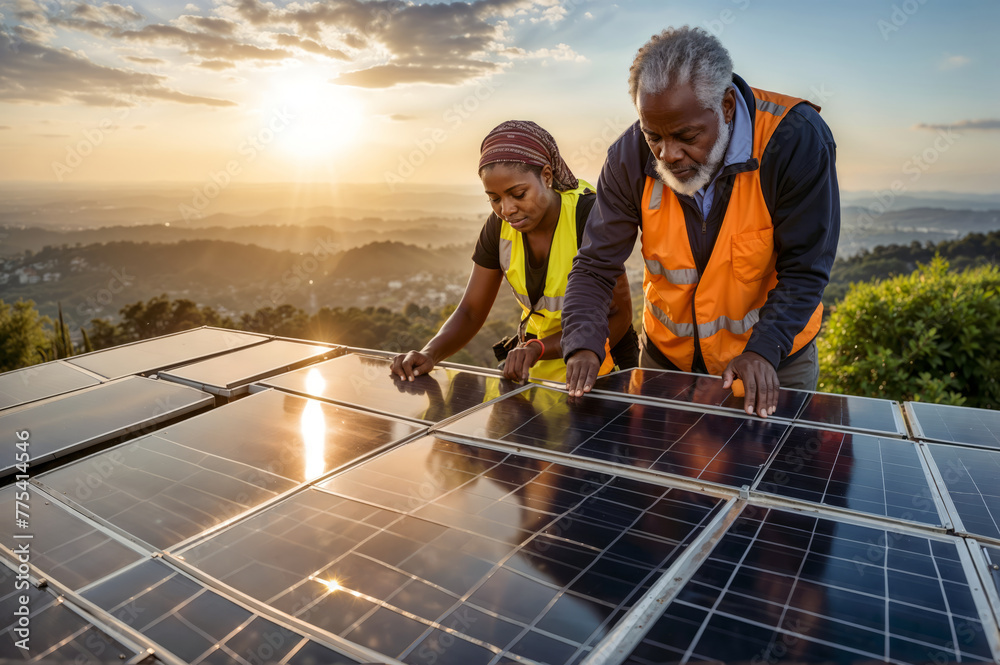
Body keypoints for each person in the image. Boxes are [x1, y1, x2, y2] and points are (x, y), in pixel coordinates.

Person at [561, 26, 839, 418]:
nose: (667, 154)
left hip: (770, 365)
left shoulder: (795, 139)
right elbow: (594, 265)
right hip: (665, 363)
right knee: (658, 477)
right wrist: (583, 344)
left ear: (726, 107)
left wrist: (764, 350)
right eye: (652, 136)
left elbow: (806, 268)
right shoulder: (627, 156)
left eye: (685, 136)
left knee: (770, 474)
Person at [391, 120, 638, 384]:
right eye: (494, 199)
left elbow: (619, 315)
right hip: (536, 365)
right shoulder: (498, 228)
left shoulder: (588, 216)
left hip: (601, 368)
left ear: (546, 176)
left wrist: (540, 348)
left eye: (518, 194)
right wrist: (431, 353)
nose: (506, 209)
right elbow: (471, 311)